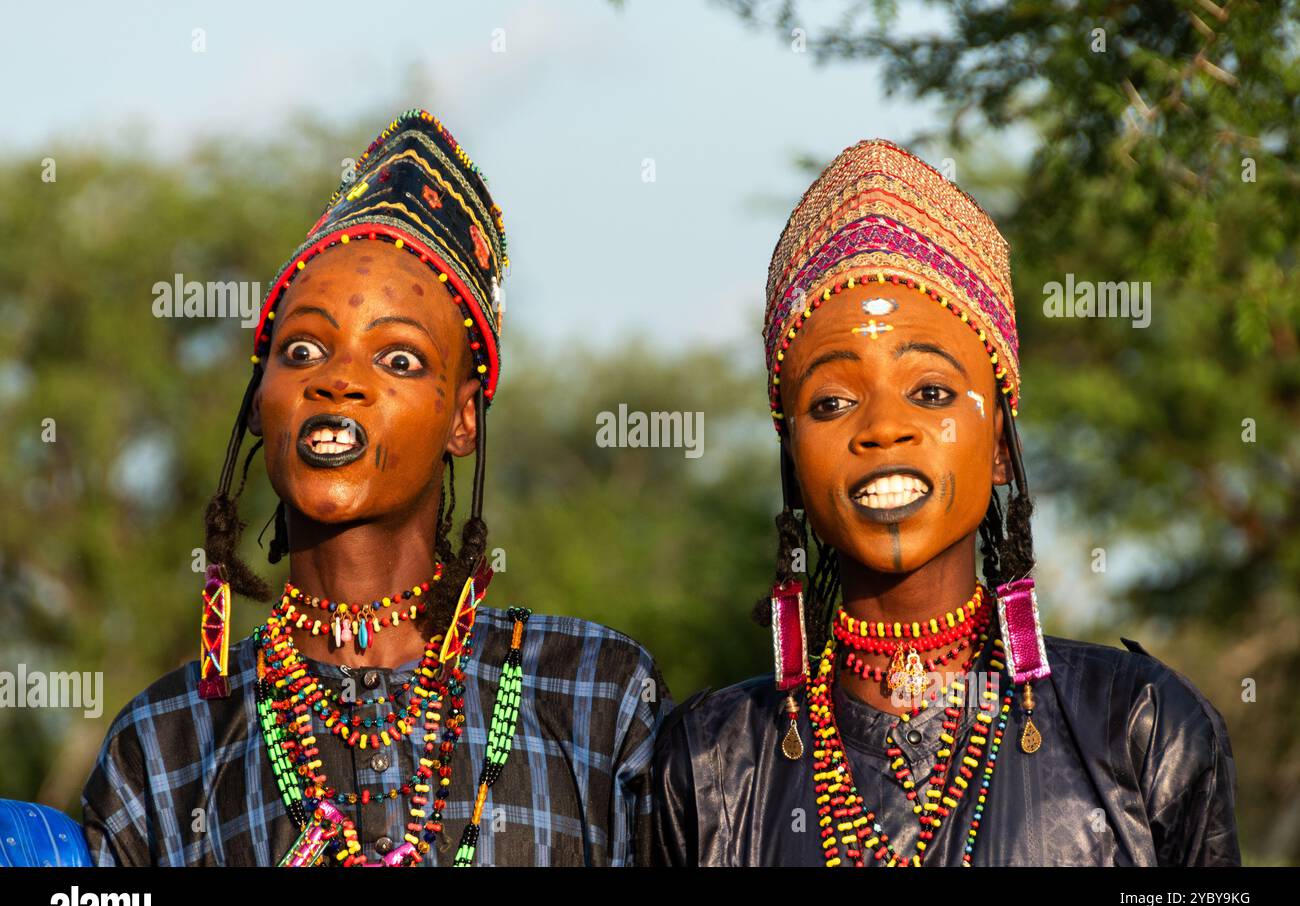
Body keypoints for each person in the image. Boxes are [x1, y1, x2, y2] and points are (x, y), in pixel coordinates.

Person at [81, 109, 669, 867]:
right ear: (262, 401)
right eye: (303, 349)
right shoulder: (163, 745)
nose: (339, 382)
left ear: (463, 419)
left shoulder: (596, 695)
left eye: (398, 360)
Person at [651, 140, 1239, 867]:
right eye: (832, 402)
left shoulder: (1139, 728)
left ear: (999, 443)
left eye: (930, 393)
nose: (883, 428)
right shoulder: (709, 766)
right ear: (794, 461)